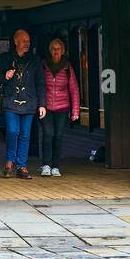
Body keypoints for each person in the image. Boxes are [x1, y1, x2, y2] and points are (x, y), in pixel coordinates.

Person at [0, 29, 45, 178]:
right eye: (24, 41)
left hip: (29, 102)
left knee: (25, 134)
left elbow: (40, 83)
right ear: (16, 42)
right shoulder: (5, 58)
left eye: (28, 41)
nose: (27, 44)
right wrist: (5, 75)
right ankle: (9, 162)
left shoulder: (35, 60)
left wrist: (42, 104)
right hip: (11, 100)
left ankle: (22, 166)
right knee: (13, 131)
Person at [39, 37, 80, 176]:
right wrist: (40, 104)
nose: (56, 51)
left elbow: (73, 89)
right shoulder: (44, 65)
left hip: (62, 107)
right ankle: (46, 164)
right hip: (47, 106)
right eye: (53, 49)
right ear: (50, 51)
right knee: (48, 134)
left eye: (58, 49)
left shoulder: (67, 67)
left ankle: (55, 166)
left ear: (63, 51)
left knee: (58, 136)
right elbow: (39, 85)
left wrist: (75, 110)